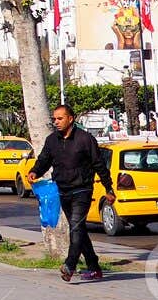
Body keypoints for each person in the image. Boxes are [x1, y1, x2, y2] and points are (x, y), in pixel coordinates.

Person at [28, 104, 115, 283]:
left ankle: (70, 264)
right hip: (63, 189)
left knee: (76, 226)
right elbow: (44, 159)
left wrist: (109, 188)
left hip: (82, 189)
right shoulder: (52, 140)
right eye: (54, 119)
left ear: (70, 118)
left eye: (60, 118)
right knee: (78, 229)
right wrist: (35, 171)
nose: (56, 122)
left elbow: (99, 164)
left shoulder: (85, 139)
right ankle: (94, 267)